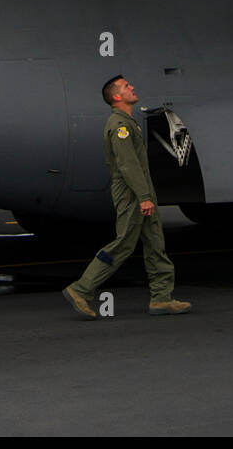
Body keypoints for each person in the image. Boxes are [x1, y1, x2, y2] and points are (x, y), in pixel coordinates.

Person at [62, 76, 191, 317]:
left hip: (141, 190)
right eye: (126, 86)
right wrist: (143, 196)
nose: (132, 87)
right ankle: (81, 289)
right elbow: (128, 165)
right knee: (124, 243)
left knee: (155, 242)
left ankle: (161, 297)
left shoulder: (128, 122)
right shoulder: (119, 126)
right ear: (117, 97)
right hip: (132, 193)